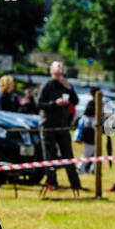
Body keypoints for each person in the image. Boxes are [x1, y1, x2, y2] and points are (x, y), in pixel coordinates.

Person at [37, 61, 80, 191]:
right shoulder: (47, 86)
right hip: (48, 125)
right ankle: (52, 183)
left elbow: (75, 101)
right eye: (57, 73)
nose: (59, 76)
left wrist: (69, 88)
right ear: (52, 73)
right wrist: (54, 103)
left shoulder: (66, 86)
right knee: (49, 155)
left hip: (63, 126)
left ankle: (75, 185)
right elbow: (39, 104)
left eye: (61, 73)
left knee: (68, 155)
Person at [75, 91, 97, 174]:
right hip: (90, 135)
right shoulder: (90, 117)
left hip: (90, 135)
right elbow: (93, 125)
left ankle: (92, 169)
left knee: (94, 153)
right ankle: (80, 168)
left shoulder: (87, 115)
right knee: (87, 153)